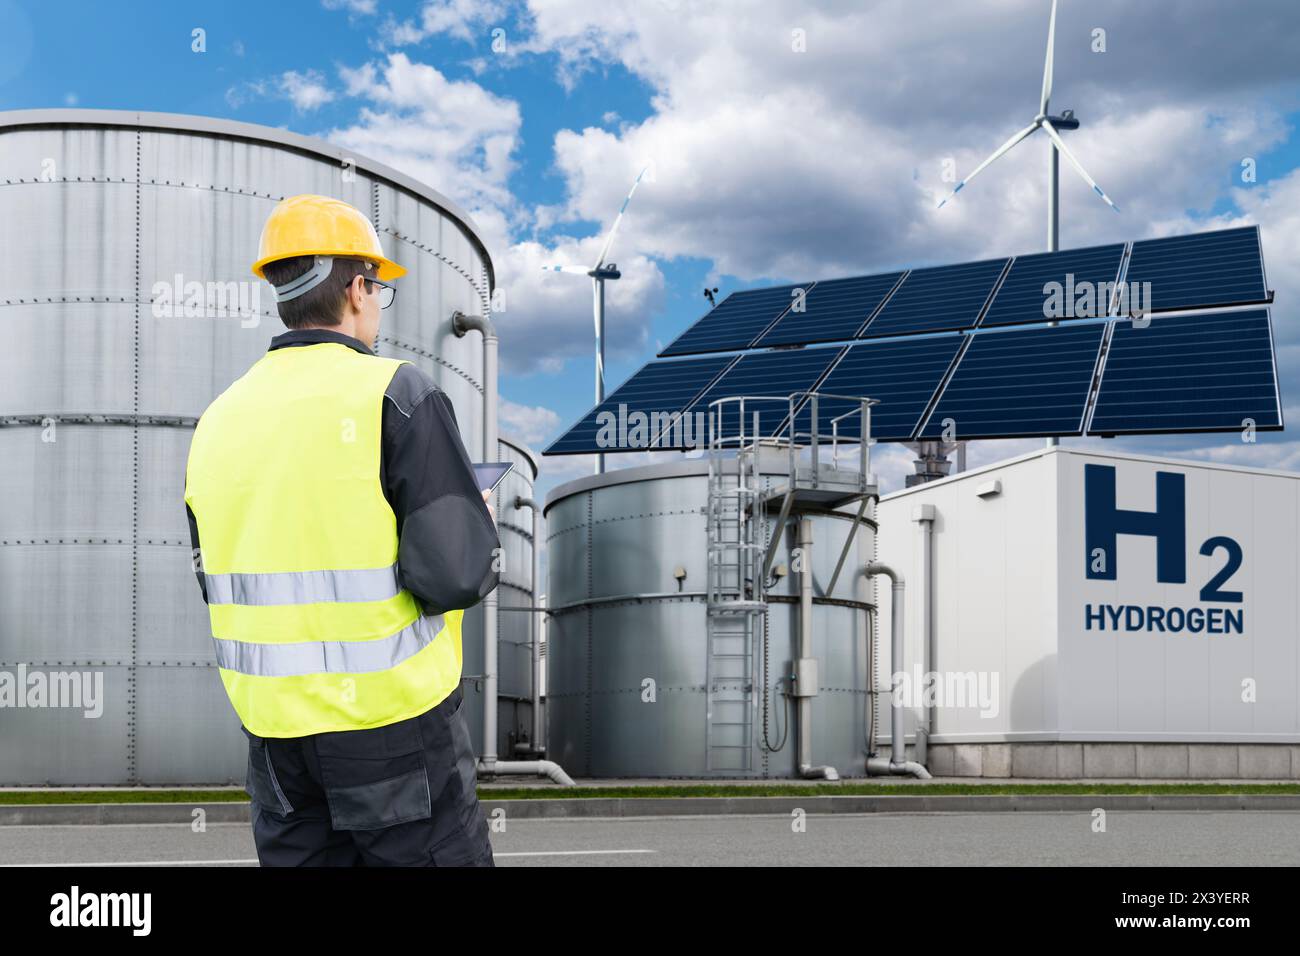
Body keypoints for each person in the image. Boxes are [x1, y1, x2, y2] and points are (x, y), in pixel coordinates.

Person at [183, 194, 500, 866]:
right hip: (394, 731)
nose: (379, 304)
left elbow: (215, 578)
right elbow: (453, 573)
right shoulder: (396, 392)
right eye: (378, 288)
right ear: (357, 289)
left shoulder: (217, 419)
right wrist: (481, 524)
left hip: (275, 739)